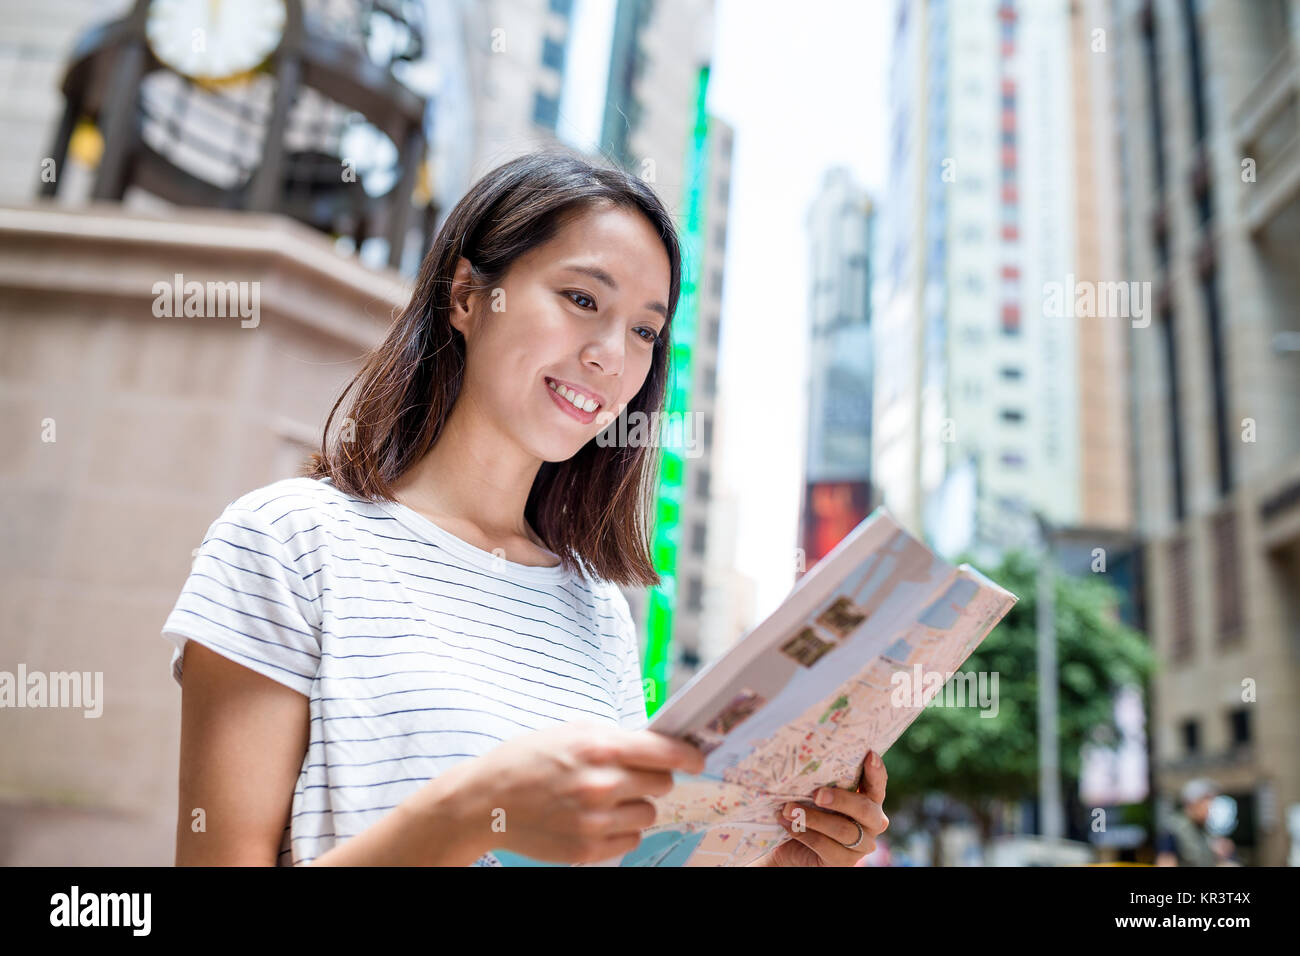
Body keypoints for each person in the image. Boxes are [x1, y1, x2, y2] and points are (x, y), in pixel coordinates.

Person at [161, 148, 890, 867]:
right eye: (581, 300)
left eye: (644, 330)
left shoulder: (597, 610)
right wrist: (472, 814)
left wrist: (776, 859)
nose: (612, 356)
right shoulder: (287, 542)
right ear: (466, 297)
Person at [1155, 778, 1232, 866]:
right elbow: (1166, 862)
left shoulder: (1204, 830)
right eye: (1206, 803)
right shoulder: (1174, 828)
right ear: (1192, 803)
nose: (1210, 808)